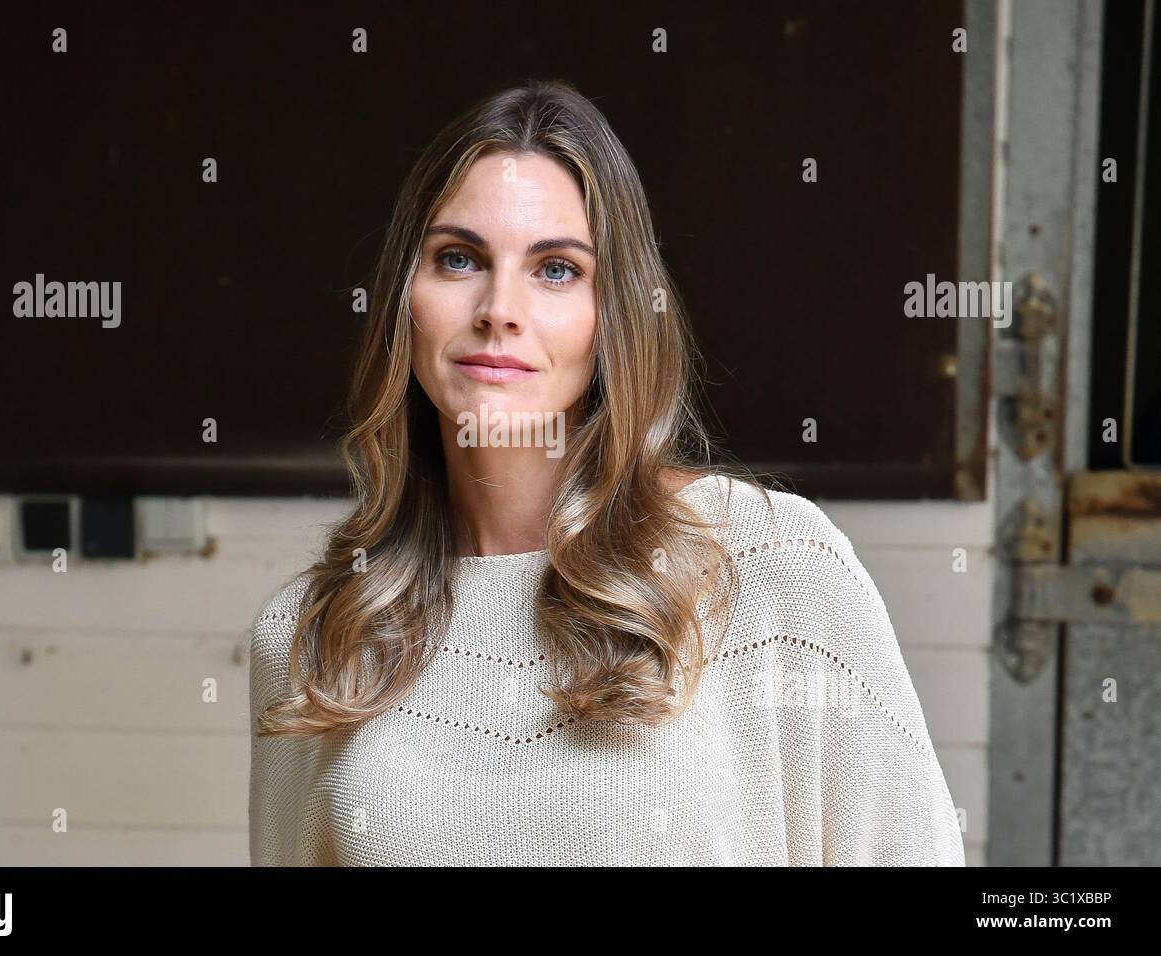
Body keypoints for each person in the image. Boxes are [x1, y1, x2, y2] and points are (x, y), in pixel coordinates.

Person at [248, 78, 965, 866]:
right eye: (458, 258)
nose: (499, 307)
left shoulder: (772, 571)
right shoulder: (315, 634)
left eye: (556, 269)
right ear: (403, 300)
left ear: (614, 313)